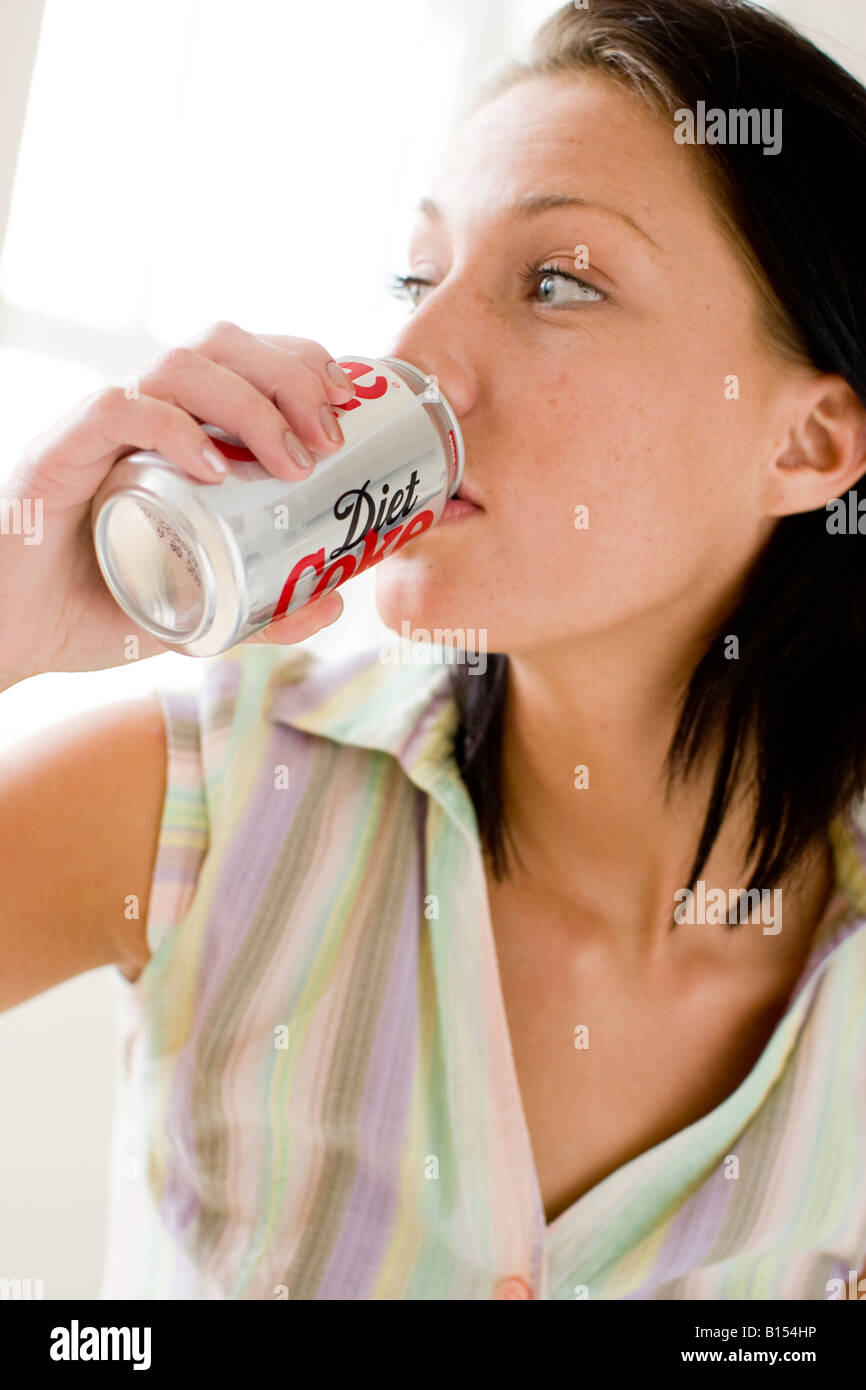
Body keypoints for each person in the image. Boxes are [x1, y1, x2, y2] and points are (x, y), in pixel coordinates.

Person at [2, 0, 865, 1300]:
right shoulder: (204, 798)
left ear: (803, 444)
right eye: (418, 278)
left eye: (558, 280)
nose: (409, 358)